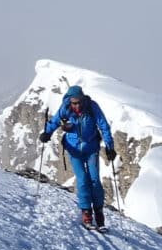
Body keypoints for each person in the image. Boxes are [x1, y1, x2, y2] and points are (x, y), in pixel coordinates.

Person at [40, 85, 116, 229]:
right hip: (74, 150)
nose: (77, 105)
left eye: (79, 102)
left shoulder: (92, 107)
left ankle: (99, 212)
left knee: (95, 180)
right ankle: (86, 212)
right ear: (70, 100)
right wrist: (47, 133)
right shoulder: (65, 109)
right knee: (82, 180)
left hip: (91, 148)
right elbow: (55, 121)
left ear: (82, 99)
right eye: (74, 103)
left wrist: (109, 147)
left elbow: (104, 126)